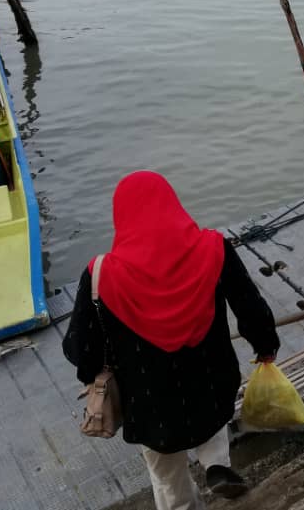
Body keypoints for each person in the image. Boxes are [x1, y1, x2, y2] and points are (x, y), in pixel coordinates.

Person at [63, 171, 279, 509]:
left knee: (166, 475)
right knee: (210, 416)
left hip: (147, 398)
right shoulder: (213, 248)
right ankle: (216, 463)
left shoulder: (101, 274)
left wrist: (92, 373)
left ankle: (183, 503)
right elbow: (249, 305)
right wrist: (265, 346)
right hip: (208, 378)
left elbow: (79, 347)